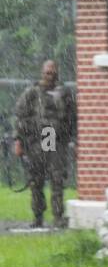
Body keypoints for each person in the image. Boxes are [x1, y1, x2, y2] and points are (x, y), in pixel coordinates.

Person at [14, 60, 76, 229]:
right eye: (47, 73)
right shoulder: (32, 93)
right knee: (36, 180)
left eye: (53, 72)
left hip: (55, 140)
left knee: (57, 180)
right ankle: (38, 216)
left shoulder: (64, 93)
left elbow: (73, 119)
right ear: (42, 73)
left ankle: (58, 217)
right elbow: (20, 116)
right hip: (36, 140)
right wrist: (18, 141)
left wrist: (74, 140)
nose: (50, 76)